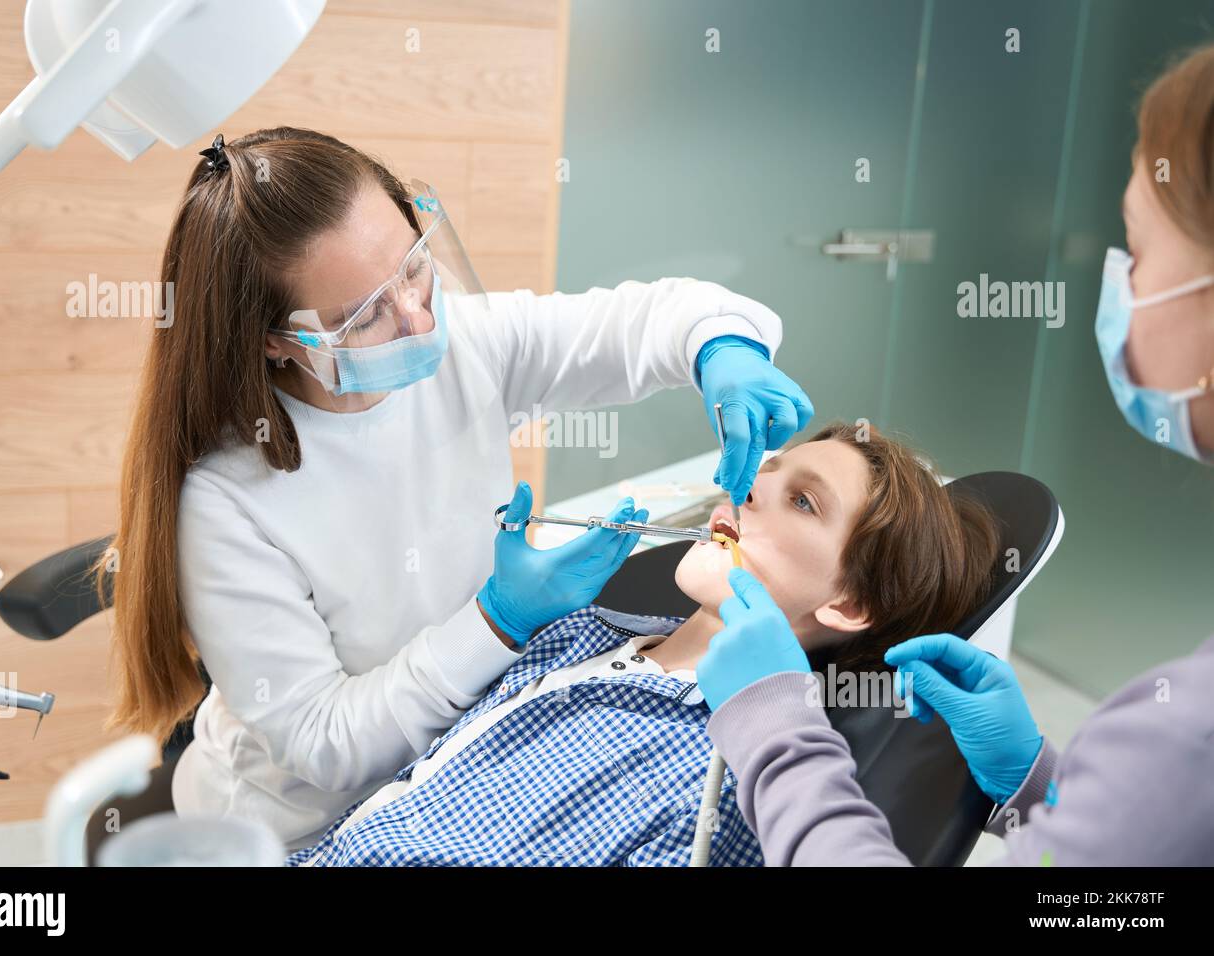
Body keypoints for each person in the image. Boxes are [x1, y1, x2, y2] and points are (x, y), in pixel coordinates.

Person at [94, 126, 814, 851]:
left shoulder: (465, 342)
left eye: (412, 264)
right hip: (292, 827)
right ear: (275, 340)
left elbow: (639, 323)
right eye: (363, 314)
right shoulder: (227, 499)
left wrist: (721, 349)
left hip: (448, 775)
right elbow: (326, 743)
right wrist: (498, 620)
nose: (417, 316)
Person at [697, 43, 1214, 866]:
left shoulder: (1189, 745)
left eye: (1141, 255)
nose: (1123, 287)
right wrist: (1039, 786)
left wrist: (776, 732)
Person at [289, 422, 997, 865]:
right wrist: (499, 618)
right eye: (764, 472)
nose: (747, 488)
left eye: (803, 501)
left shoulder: (737, 779)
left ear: (849, 603)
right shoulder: (577, 633)